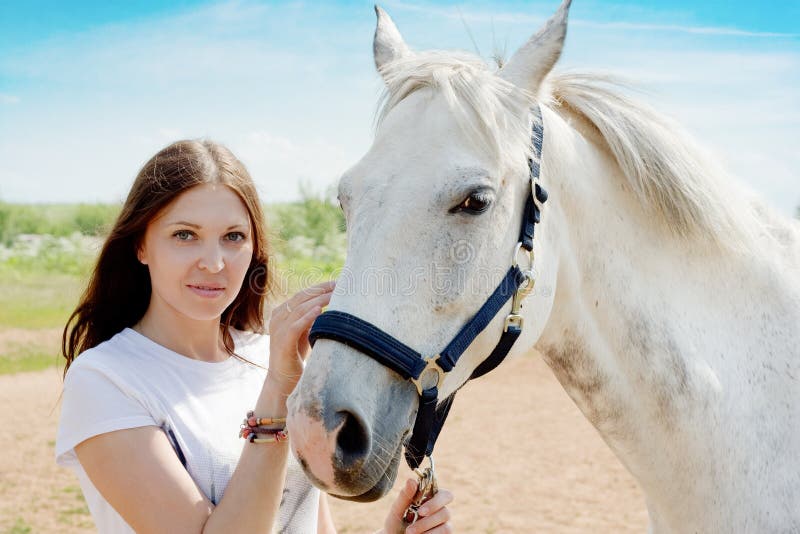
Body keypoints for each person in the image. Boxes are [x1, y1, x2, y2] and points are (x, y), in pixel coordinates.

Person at [56, 139, 453, 533]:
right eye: (184, 235)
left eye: (233, 237)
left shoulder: (268, 356)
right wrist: (278, 388)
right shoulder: (104, 380)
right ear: (141, 244)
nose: (214, 263)